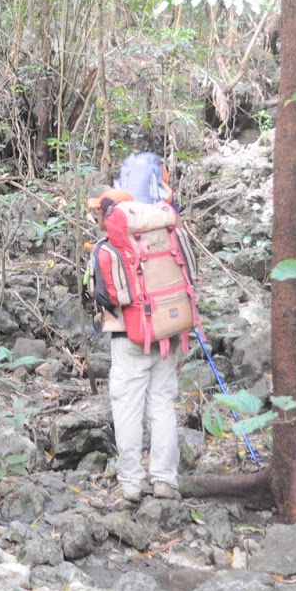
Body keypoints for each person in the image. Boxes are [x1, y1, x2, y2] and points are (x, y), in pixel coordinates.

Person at [90, 185, 183, 504]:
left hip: (129, 335)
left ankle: (130, 484)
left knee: (127, 407)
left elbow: (107, 297)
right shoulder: (159, 235)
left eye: (98, 213)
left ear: (109, 215)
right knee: (161, 403)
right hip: (168, 330)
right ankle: (165, 480)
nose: (96, 218)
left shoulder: (107, 248)